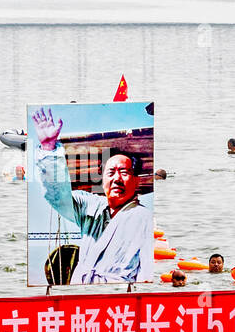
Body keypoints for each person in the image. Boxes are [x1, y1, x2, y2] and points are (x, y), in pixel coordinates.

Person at [32, 107, 153, 284]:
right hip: (81, 292)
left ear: (136, 181)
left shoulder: (145, 218)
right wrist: (49, 149)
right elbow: (57, 196)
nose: (117, 178)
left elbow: (147, 271)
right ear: (102, 179)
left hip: (117, 296)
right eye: (111, 172)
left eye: (124, 172)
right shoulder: (90, 206)